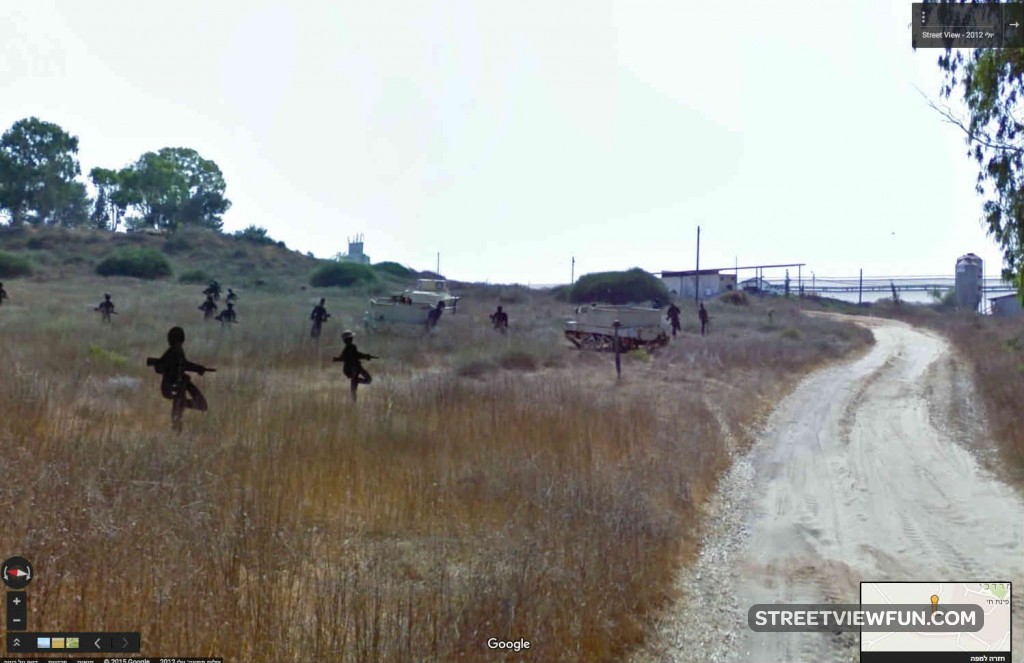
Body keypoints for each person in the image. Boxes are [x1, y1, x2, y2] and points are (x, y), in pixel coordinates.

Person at [146, 326, 213, 432]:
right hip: (174, 386)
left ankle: (180, 408)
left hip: (179, 384)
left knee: (200, 405)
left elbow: (183, 364)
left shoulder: (176, 351)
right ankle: (176, 429)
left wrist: (198, 369)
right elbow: (162, 368)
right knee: (178, 414)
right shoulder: (172, 352)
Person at [333, 330, 377, 401]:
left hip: (354, 368)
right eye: (350, 338)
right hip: (354, 368)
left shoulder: (349, 348)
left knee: (354, 388)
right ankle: (354, 402)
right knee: (366, 381)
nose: (352, 339)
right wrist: (366, 356)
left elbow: (356, 355)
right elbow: (350, 357)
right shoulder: (350, 348)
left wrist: (366, 356)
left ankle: (354, 401)